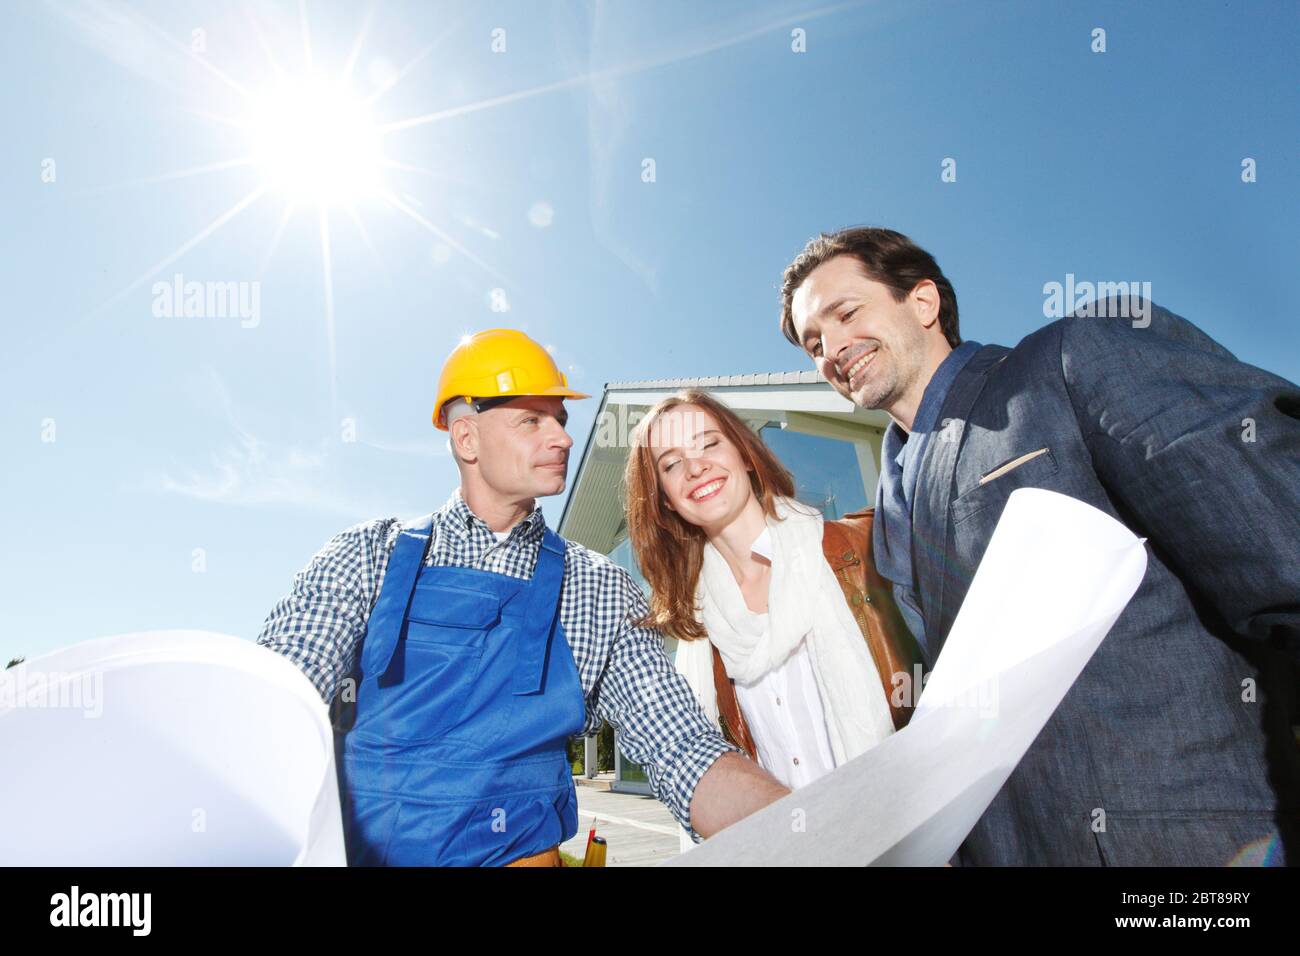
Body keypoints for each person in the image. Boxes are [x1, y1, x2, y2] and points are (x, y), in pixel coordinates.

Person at [779, 225, 1300, 865]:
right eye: (812, 343)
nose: (831, 347)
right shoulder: (883, 509)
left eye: (846, 312)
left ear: (922, 302)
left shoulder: (1073, 358)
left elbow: (1279, 541)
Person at [256, 328, 787, 866]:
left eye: (560, 419)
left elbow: (683, 749)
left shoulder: (598, 588)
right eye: (532, 420)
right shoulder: (368, 556)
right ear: (466, 438)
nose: (561, 438)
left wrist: (805, 828)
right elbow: (272, 703)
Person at [622, 388, 921, 815]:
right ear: (666, 499)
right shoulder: (700, 630)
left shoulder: (865, 549)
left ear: (744, 454)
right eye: (671, 464)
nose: (696, 466)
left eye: (709, 443)